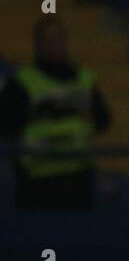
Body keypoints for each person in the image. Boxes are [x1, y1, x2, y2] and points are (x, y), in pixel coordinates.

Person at [0, 15, 110, 209]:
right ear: (37, 44)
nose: (52, 45)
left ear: (65, 41)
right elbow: (7, 127)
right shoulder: (21, 83)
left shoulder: (84, 79)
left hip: (78, 177)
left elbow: (103, 120)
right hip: (37, 179)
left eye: (57, 39)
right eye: (47, 40)